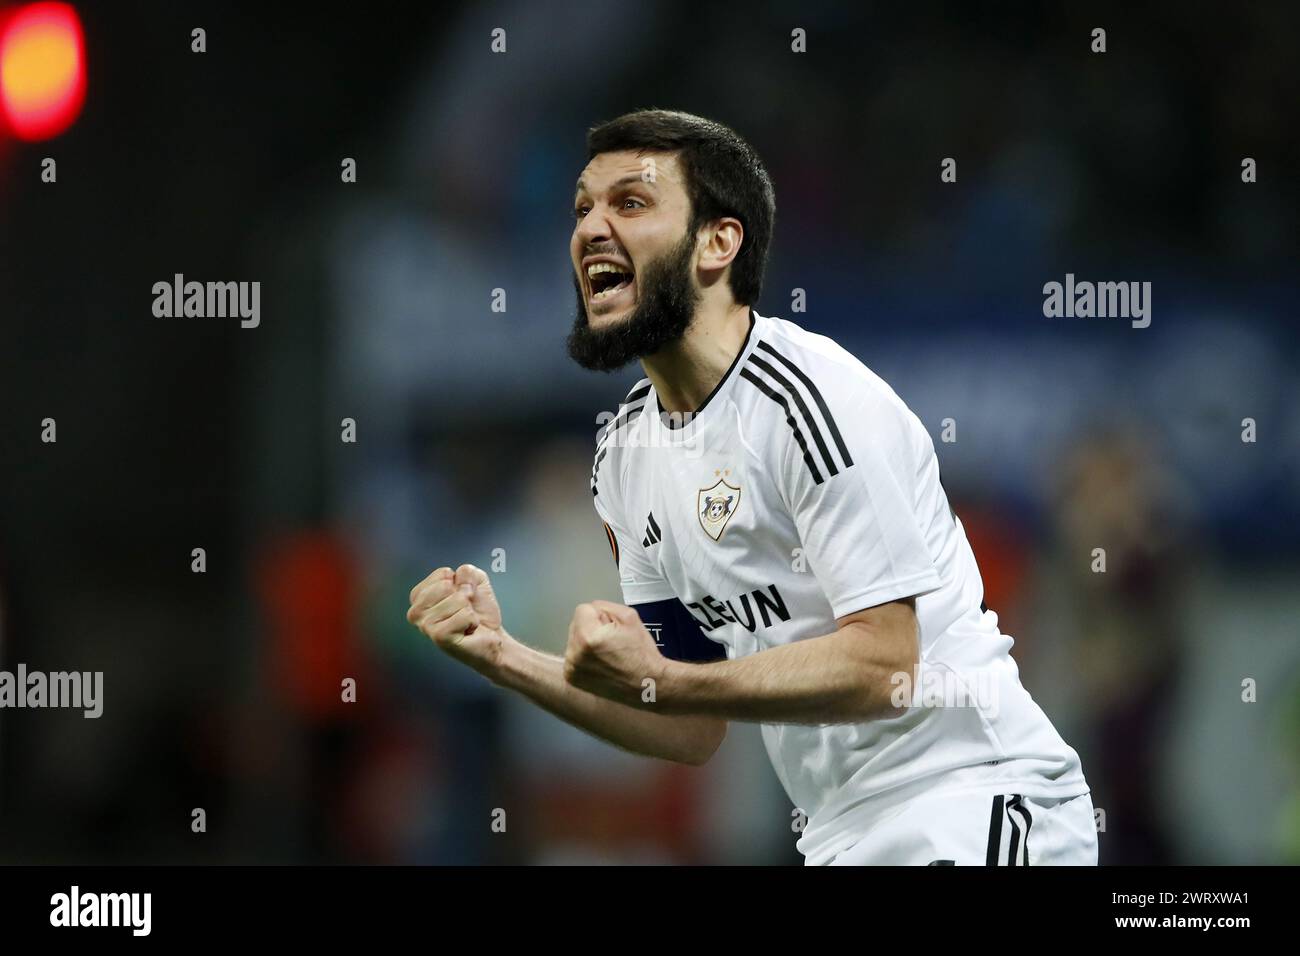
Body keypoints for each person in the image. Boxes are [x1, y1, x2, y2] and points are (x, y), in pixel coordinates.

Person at [407, 109, 1095, 865]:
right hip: (842, 836)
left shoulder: (809, 400)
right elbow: (687, 721)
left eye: (629, 204)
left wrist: (665, 679)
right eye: (582, 207)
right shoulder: (625, 461)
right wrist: (504, 656)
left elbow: (883, 662)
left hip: (970, 800)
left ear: (718, 242)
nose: (591, 229)